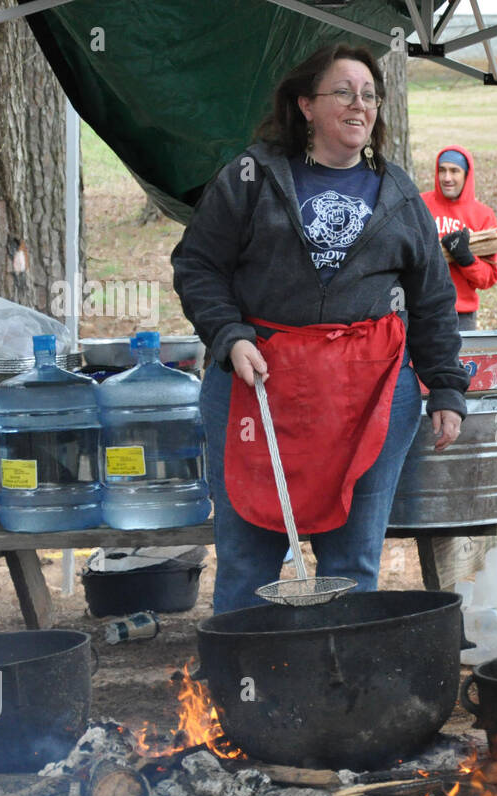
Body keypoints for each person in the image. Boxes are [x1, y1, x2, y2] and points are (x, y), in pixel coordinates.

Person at [172, 45, 468, 613]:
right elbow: (198, 265)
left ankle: (337, 691)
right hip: (258, 385)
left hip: (370, 393)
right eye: (343, 92)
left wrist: (447, 387)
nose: (360, 105)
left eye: (369, 95)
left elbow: (432, 298)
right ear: (305, 104)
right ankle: (243, 690)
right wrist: (228, 335)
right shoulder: (251, 176)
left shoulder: (398, 192)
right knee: (247, 562)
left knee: (353, 564)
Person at [420, 146, 497, 332]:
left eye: (454, 171)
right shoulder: (420, 205)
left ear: (466, 174)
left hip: (461, 316)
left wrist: (466, 260)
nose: (447, 178)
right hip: (421, 311)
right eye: (442, 170)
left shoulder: (483, 215)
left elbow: (487, 279)